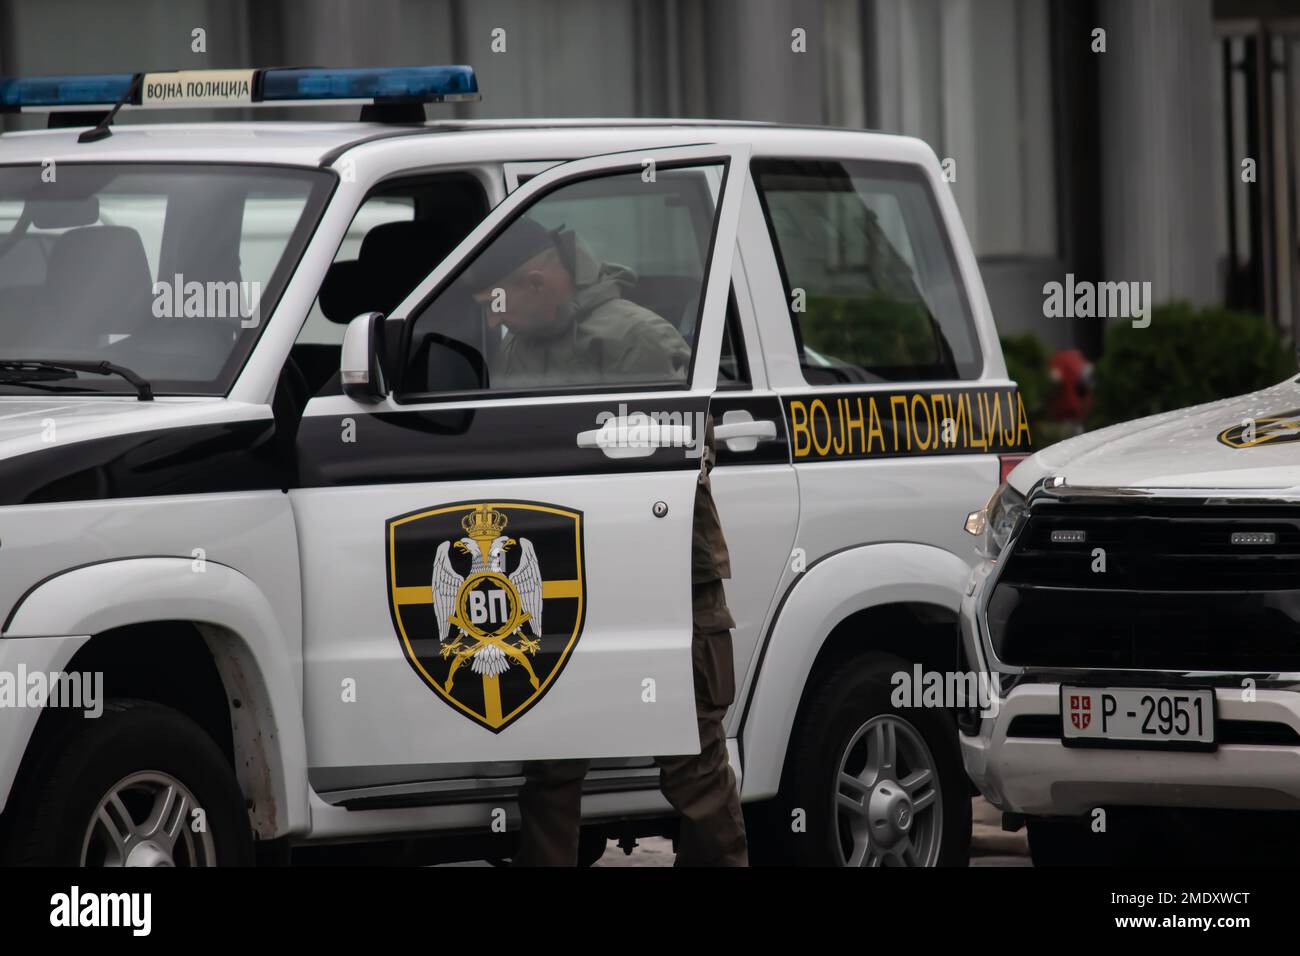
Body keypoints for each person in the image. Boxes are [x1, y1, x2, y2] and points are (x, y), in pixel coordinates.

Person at [465, 217, 749, 866]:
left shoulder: (637, 338)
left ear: (538, 281)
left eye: (501, 306)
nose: (499, 324)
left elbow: (683, 459)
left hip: (663, 581)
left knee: (692, 769)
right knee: (552, 767)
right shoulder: (520, 345)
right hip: (567, 578)